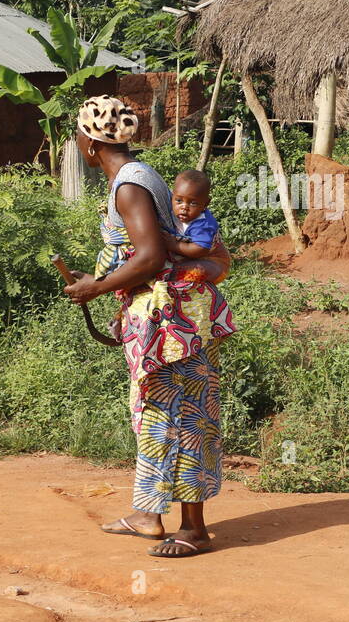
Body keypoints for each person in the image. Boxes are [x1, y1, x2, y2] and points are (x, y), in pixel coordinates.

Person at [61, 95, 235, 557]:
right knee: (160, 414)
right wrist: (99, 280)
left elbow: (150, 257)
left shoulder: (128, 187)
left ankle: (194, 529)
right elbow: (143, 251)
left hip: (171, 322)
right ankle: (148, 514)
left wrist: (95, 289)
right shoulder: (141, 175)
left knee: (181, 415)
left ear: (89, 140)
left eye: (77, 135)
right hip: (174, 316)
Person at [166, 169, 226, 283]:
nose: (184, 207)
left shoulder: (203, 224)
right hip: (194, 257)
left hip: (213, 263)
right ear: (172, 196)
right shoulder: (173, 209)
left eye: (193, 203)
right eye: (179, 200)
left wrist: (174, 245)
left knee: (176, 273)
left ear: (205, 204)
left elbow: (200, 249)